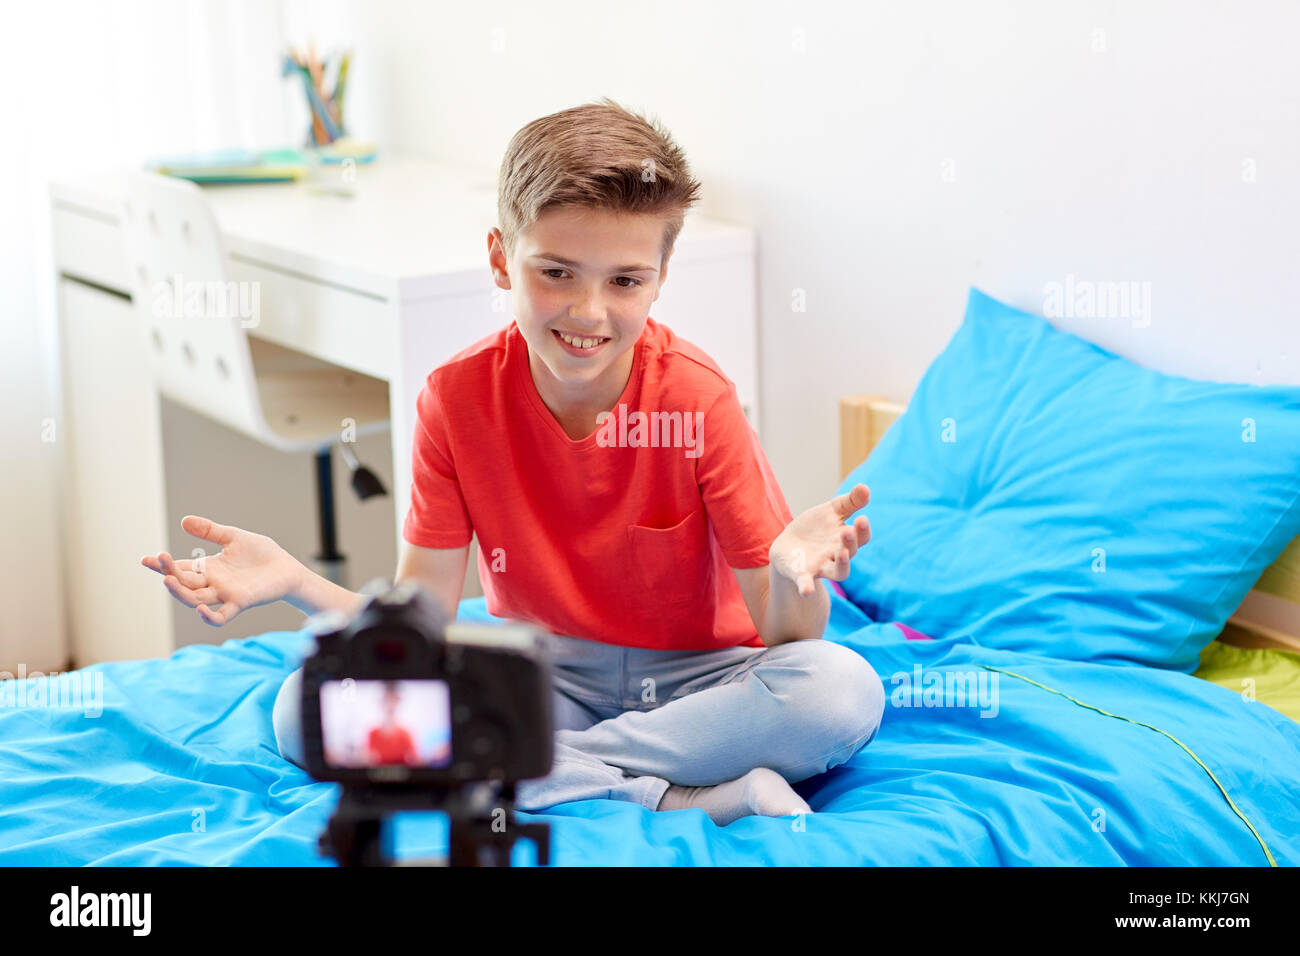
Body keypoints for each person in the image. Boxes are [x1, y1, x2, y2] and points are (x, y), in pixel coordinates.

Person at [141, 97, 884, 827]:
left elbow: (793, 642)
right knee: (305, 710)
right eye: (556, 272)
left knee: (840, 691)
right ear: (501, 258)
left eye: (625, 281)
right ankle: (666, 795)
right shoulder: (454, 400)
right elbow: (422, 622)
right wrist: (297, 583)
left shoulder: (700, 398)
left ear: (660, 276)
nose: (588, 312)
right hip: (538, 674)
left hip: (702, 685)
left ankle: (534, 764)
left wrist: (791, 575)